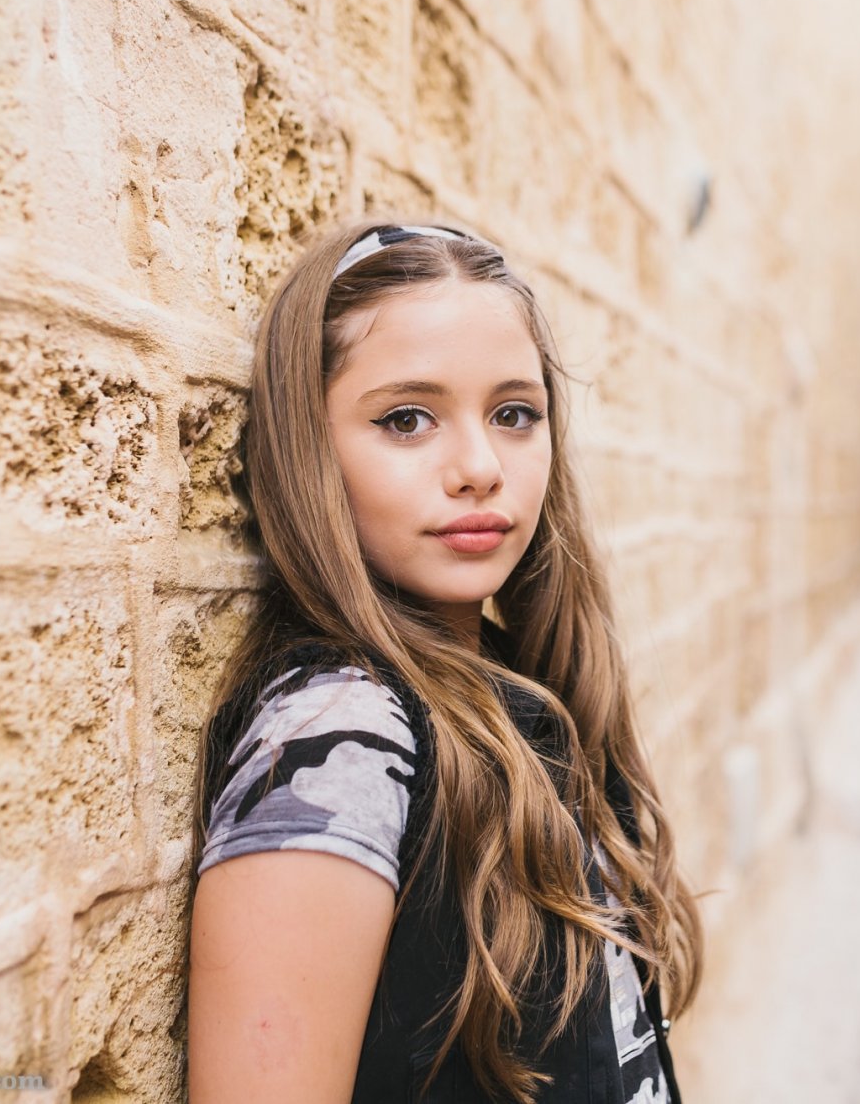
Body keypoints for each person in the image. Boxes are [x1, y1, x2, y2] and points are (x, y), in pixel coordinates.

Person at [184, 217, 705, 1104]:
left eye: (514, 414)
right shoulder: (340, 739)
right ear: (307, 451)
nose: (478, 467)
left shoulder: (529, 689)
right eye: (407, 419)